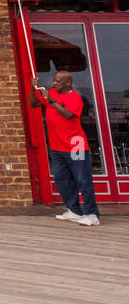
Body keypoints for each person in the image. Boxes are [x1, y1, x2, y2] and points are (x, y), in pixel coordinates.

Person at [31, 70, 100, 226]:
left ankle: (92, 214)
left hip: (75, 144)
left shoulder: (75, 97)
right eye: (54, 80)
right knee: (62, 179)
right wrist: (32, 88)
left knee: (82, 179)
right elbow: (33, 103)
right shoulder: (52, 93)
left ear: (68, 83)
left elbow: (68, 115)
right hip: (57, 145)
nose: (55, 83)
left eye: (58, 81)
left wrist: (51, 100)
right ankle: (74, 210)